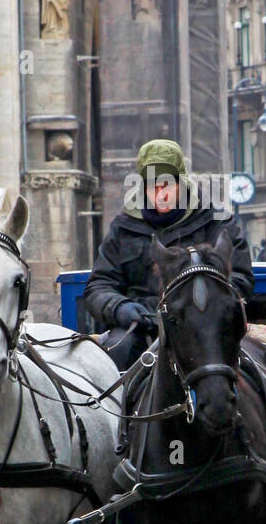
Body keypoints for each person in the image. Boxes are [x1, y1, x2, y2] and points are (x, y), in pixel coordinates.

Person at [84, 138, 253, 371]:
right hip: (140, 327)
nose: (160, 193)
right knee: (116, 351)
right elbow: (99, 286)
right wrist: (119, 308)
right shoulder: (123, 227)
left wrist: (206, 307)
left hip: (203, 325)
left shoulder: (216, 221)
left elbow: (240, 277)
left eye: (167, 185)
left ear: (181, 184)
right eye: (153, 186)